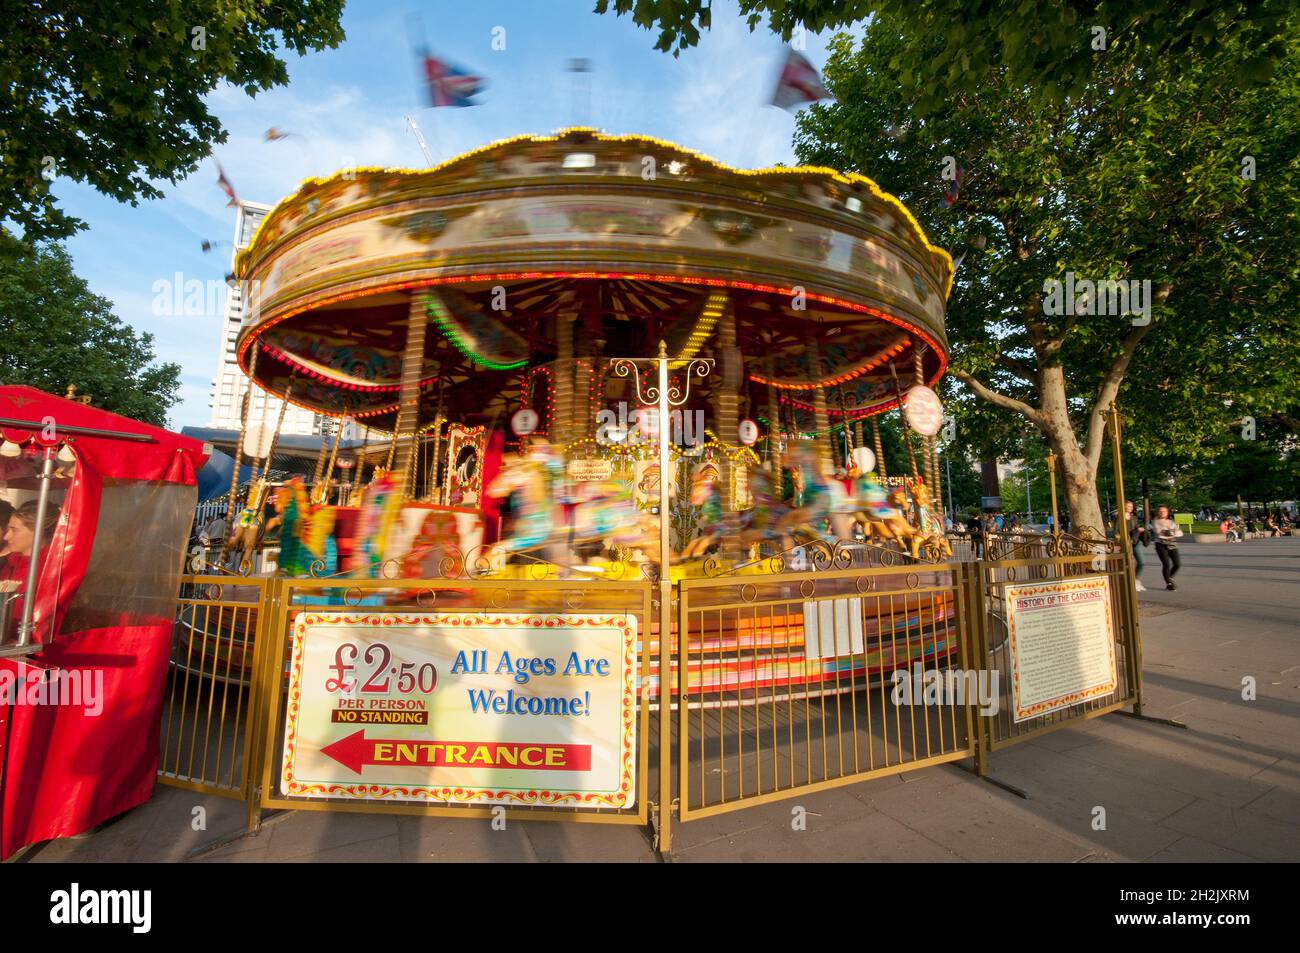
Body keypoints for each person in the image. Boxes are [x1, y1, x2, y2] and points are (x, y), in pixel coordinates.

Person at [1150, 504, 1183, 591]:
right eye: (1160, 511)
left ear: (1167, 512)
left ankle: (1169, 578)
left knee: (1177, 564)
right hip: (1161, 544)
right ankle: (1168, 583)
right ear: (1157, 512)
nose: (1162, 513)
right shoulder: (1154, 521)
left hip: (1172, 544)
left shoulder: (1171, 522)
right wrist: (1171, 532)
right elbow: (1158, 532)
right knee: (1166, 564)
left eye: (1164, 511)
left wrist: (1173, 532)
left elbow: (1178, 531)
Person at [1124, 500, 1148, 591]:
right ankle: (1127, 582)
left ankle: (1135, 579)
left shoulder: (1134, 517)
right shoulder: (1120, 517)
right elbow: (1116, 531)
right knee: (1127, 564)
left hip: (1135, 542)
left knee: (1142, 562)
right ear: (1124, 506)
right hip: (1126, 543)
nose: (1130, 508)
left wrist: (1140, 529)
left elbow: (1136, 528)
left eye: (1131, 506)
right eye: (1128, 506)